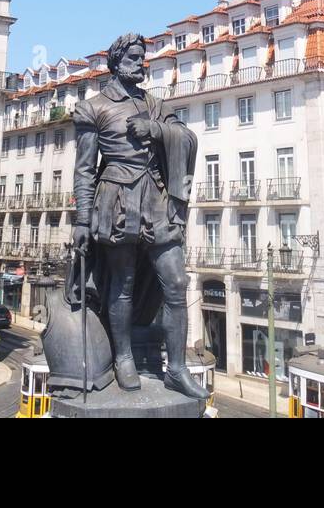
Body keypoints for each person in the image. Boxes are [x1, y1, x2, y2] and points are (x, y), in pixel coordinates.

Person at [71, 32, 209, 400]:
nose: (141, 63)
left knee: (176, 283)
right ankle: (124, 358)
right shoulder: (93, 107)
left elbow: (186, 137)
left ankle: (177, 369)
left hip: (157, 201)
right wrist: (82, 221)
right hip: (115, 201)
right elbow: (84, 170)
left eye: (142, 57)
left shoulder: (155, 105)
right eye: (133, 57)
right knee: (123, 284)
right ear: (116, 62)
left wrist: (157, 130)